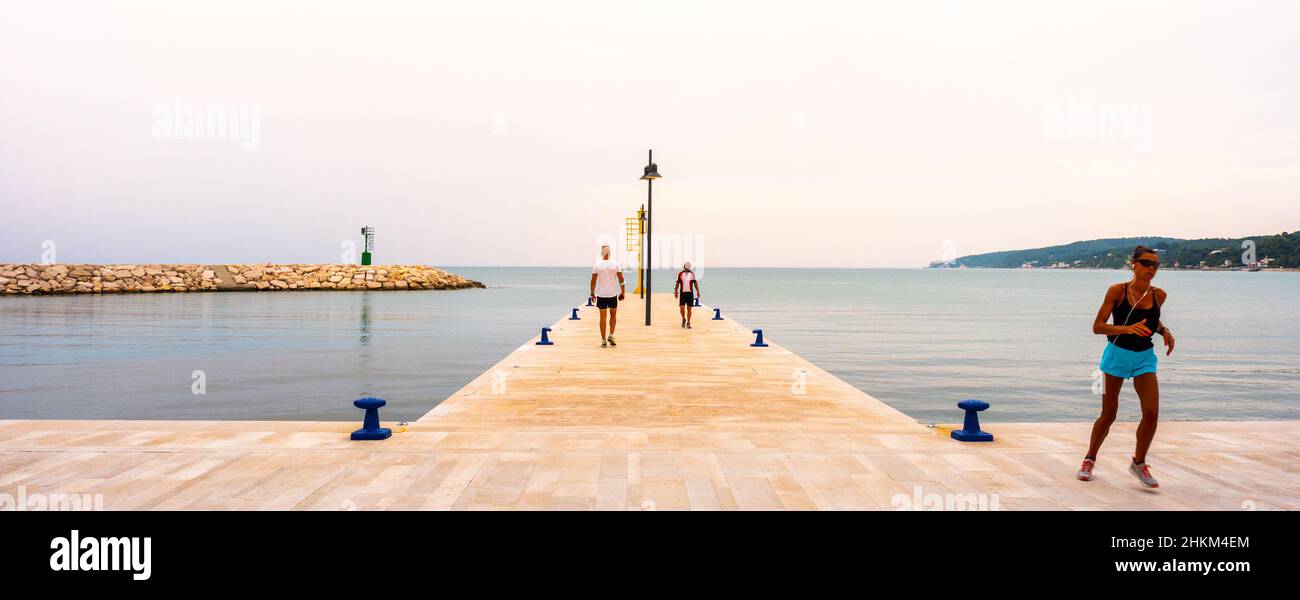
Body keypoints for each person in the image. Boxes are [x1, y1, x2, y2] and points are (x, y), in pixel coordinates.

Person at [1078, 245, 1175, 488]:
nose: (1151, 268)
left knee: (1152, 413)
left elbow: (1152, 321)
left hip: (1144, 357)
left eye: (1155, 265)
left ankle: (1139, 463)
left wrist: (1164, 330)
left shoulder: (1159, 295)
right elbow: (1098, 326)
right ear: (1133, 264)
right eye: (1146, 263)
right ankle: (1089, 459)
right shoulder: (1117, 291)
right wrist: (1126, 329)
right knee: (1109, 413)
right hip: (1116, 356)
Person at [590, 245, 625, 348]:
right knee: (613, 316)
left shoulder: (597, 265)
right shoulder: (615, 264)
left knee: (602, 318)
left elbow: (593, 280)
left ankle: (603, 340)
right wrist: (623, 292)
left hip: (601, 295)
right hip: (612, 295)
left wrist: (592, 293)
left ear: (601, 253)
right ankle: (611, 335)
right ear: (609, 253)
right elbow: (621, 280)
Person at [673, 262, 701, 328]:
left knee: (689, 309)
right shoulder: (680, 274)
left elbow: (695, 283)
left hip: (690, 294)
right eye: (686, 267)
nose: (687, 269)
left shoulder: (692, 274)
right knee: (681, 308)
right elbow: (677, 283)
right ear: (684, 267)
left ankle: (688, 322)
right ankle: (683, 319)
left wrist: (698, 291)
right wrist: (676, 292)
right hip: (682, 293)